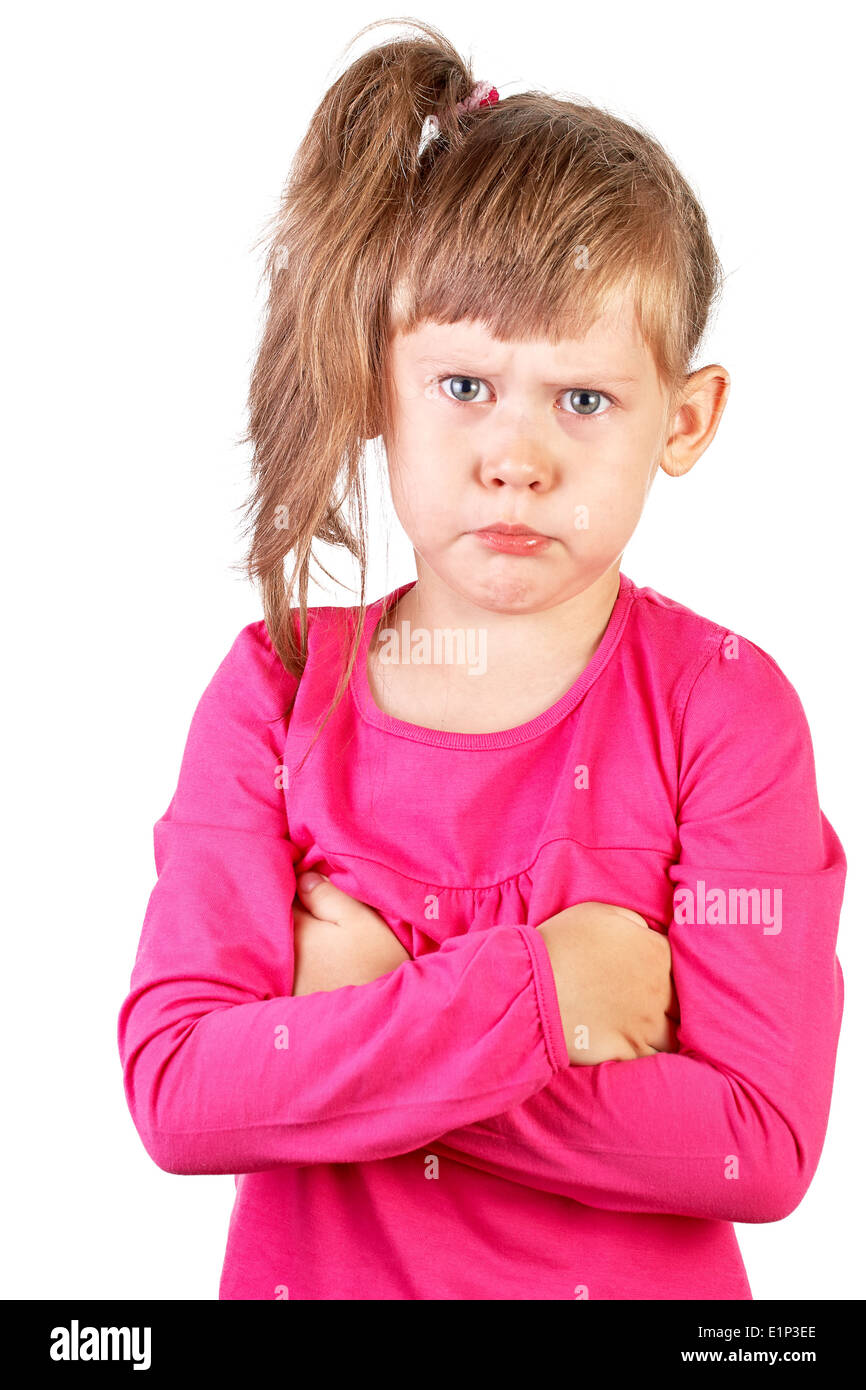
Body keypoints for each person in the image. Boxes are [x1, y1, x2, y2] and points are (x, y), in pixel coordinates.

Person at [117, 18, 846, 1300]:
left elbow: (759, 1144)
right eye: (462, 386)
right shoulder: (275, 694)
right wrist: (545, 995)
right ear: (374, 385)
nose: (516, 456)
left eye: (581, 399)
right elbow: (182, 1093)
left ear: (683, 419)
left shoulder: (724, 711)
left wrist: (367, 1023)